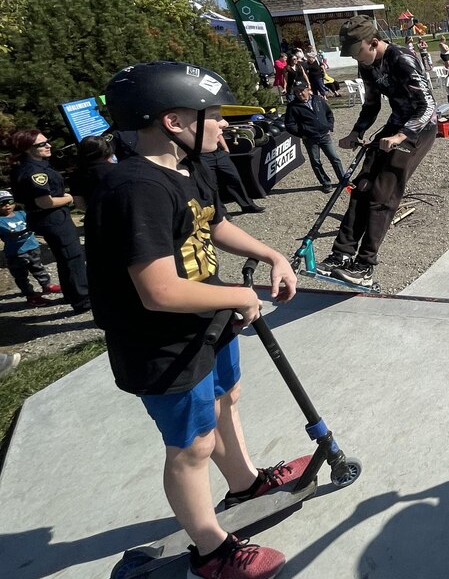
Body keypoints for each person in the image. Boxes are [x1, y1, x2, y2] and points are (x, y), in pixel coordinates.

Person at [89, 61, 303, 579]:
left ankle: (246, 482)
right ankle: (210, 550)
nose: (225, 123)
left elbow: (217, 225)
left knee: (228, 399)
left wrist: (272, 254)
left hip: (207, 317)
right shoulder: (134, 187)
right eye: (214, 114)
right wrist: (235, 294)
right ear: (172, 121)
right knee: (191, 446)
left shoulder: (190, 168)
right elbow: (158, 292)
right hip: (160, 340)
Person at [316, 15, 438, 288]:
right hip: (395, 126)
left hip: (418, 128)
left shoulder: (402, 59)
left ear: (373, 42)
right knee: (362, 186)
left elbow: (428, 106)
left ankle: (366, 264)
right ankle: (342, 254)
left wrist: (401, 135)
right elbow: (371, 105)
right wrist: (356, 132)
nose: (356, 60)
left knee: (383, 192)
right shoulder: (367, 66)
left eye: (358, 53)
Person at [8, 129, 90, 312]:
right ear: (28, 149)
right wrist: (69, 198)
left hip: (50, 219)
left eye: (47, 141)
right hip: (52, 219)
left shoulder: (35, 165)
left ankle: (72, 294)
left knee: (65, 259)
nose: (48, 145)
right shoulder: (34, 172)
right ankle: (82, 300)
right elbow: (44, 202)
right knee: (72, 258)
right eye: (42, 144)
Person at [284, 81, 347, 193]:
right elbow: (289, 124)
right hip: (310, 139)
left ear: (307, 90)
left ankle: (343, 180)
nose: (299, 94)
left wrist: (329, 126)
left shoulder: (318, 99)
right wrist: (302, 133)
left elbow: (329, 114)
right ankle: (325, 183)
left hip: (324, 136)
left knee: (335, 159)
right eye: (296, 92)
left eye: (301, 91)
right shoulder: (292, 106)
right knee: (316, 162)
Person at [0, 188, 60, 306]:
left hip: (32, 247)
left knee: (39, 268)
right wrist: (29, 227)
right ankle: (30, 295)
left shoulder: (22, 214)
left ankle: (46, 285)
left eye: (10, 202)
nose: (7, 205)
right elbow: (12, 234)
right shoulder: (1, 221)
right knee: (21, 276)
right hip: (15, 253)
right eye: (2, 203)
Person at [201, 137, 264, 215]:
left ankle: (247, 205)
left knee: (234, 178)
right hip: (202, 156)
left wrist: (226, 149)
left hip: (219, 153)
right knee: (212, 184)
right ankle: (221, 213)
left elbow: (219, 133)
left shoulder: (212, 124)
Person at [72, 133, 117, 210]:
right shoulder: (117, 169)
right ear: (106, 150)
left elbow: (79, 204)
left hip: (97, 216)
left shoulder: (76, 175)